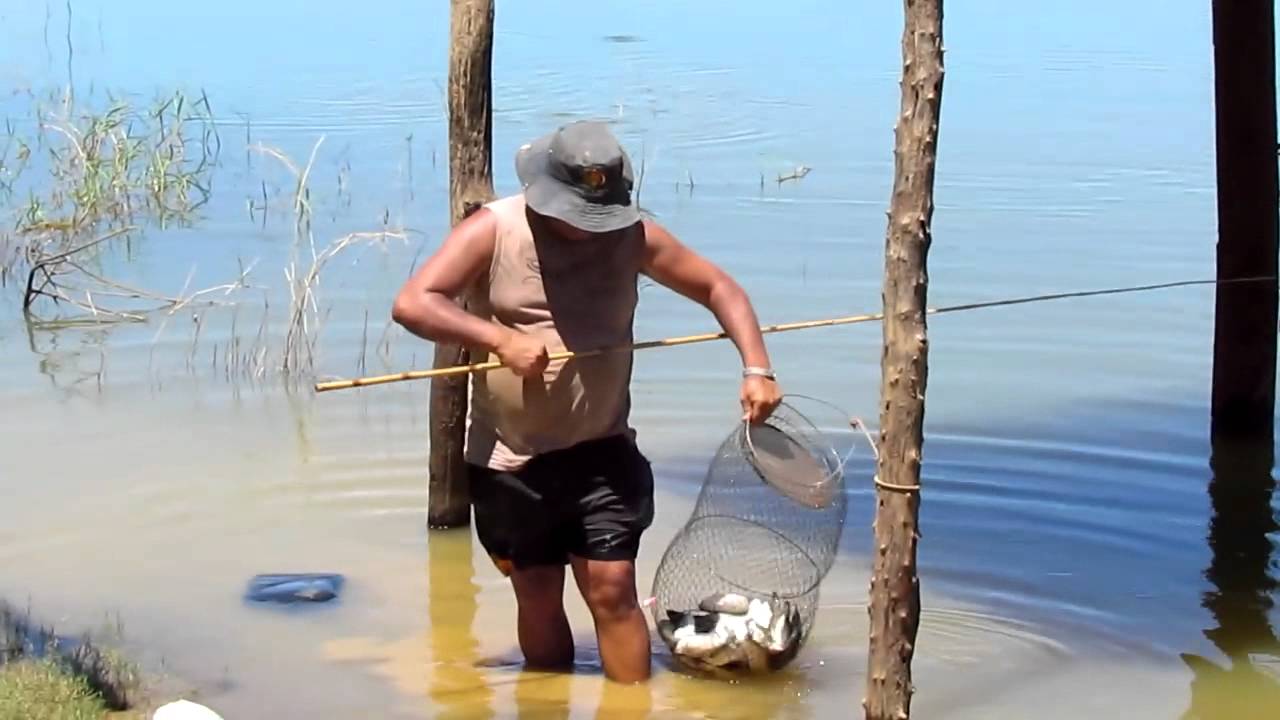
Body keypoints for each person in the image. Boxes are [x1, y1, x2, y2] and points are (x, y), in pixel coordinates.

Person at [391, 120, 782, 683]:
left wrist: (757, 368)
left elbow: (720, 289)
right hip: (511, 457)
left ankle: (630, 705)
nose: (586, 228)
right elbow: (413, 303)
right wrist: (500, 340)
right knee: (538, 593)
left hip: (602, 448)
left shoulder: (634, 236)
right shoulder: (494, 229)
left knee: (613, 587)